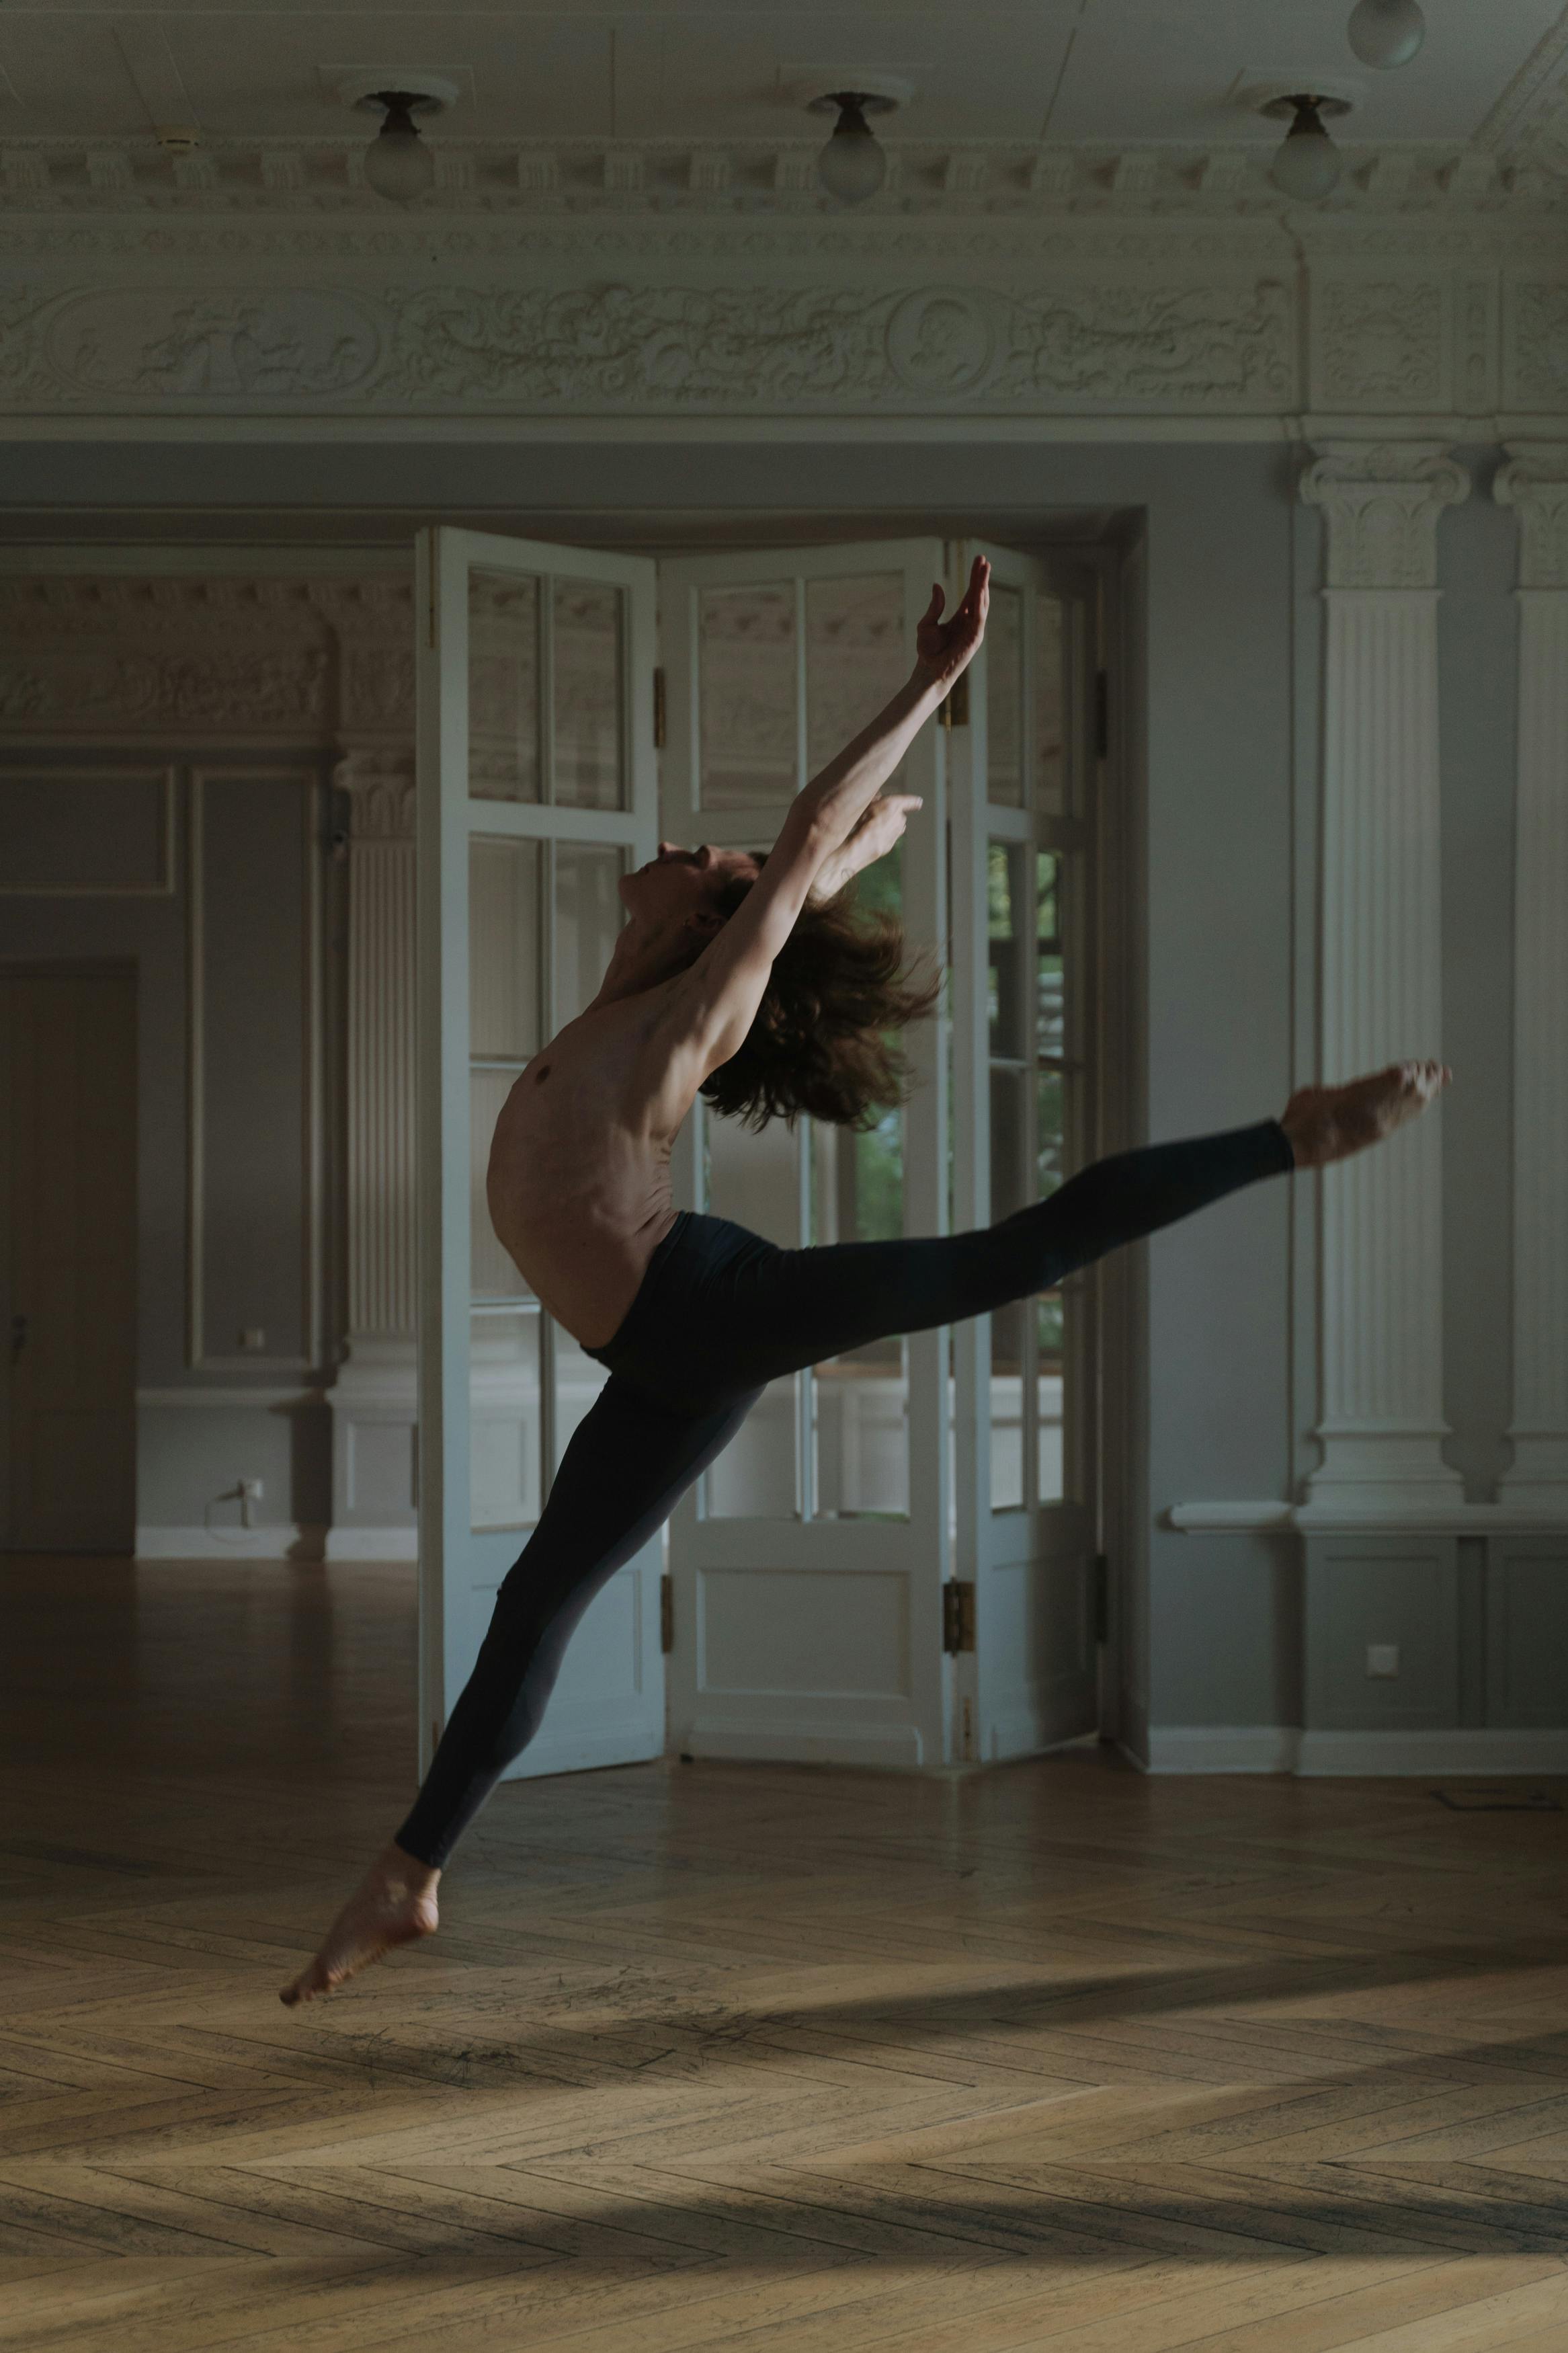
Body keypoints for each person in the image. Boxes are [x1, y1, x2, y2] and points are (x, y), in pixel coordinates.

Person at [282, 557, 1448, 2006]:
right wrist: (848, 855)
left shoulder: (683, 1025)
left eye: (706, 853)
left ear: (711, 916)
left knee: (1010, 1254)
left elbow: (796, 845)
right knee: (535, 1602)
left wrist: (928, 685)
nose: (678, 843)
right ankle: (410, 1877)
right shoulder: (633, 990)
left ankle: (1293, 1136)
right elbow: (798, 872)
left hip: (703, 1303)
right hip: (656, 1354)